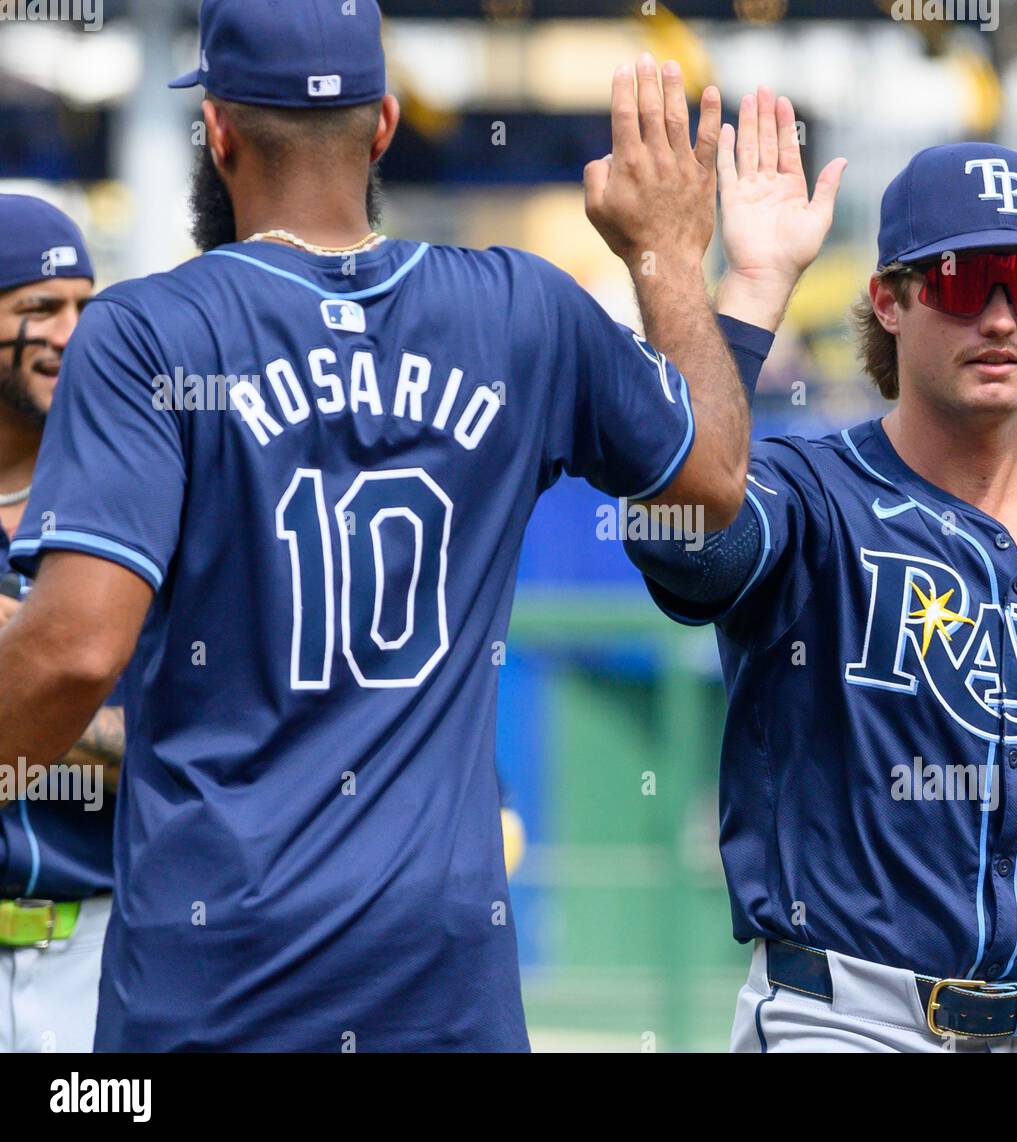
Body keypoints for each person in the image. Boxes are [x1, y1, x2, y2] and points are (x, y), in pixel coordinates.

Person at [0, 0, 757, 1052]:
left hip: (217, 975)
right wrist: (672, 255)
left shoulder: (146, 331)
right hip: (438, 976)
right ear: (386, 126)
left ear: (217, 130)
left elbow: (76, 649)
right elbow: (716, 480)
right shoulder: (521, 309)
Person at [624, 136, 1017, 1052]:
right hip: (847, 1015)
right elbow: (690, 545)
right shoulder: (809, 496)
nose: (997, 317)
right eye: (959, 278)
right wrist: (751, 288)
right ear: (889, 301)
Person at [0, 195, 124, 1053]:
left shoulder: (132, 493)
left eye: (86, 305)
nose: (73, 333)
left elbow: (172, 744)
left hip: (104, 948)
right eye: (40, 309)